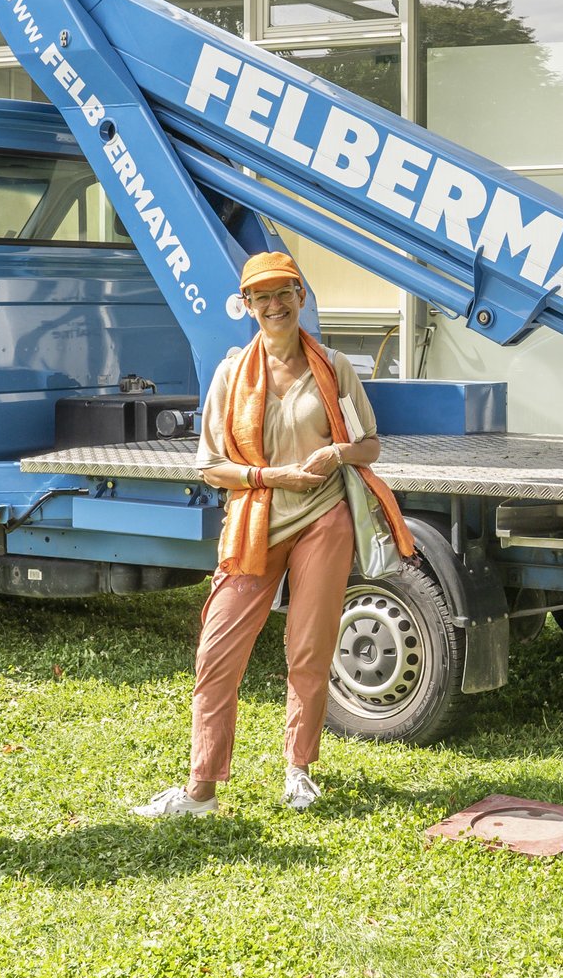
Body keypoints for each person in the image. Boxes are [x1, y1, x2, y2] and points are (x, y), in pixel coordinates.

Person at [135, 251, 410, 818]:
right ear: (248, 306)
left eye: (284, 292)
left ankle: (298, 770)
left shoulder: (333, 366)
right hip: (255, 521)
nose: (274, 304)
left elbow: (371, 445)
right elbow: (211, 466)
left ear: (300, 297)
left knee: (309, 649)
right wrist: (270, 477)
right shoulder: (231, 374)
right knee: (217, 653)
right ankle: (201, 789)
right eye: (261, 296)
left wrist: (337, 453)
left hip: (323, 518)